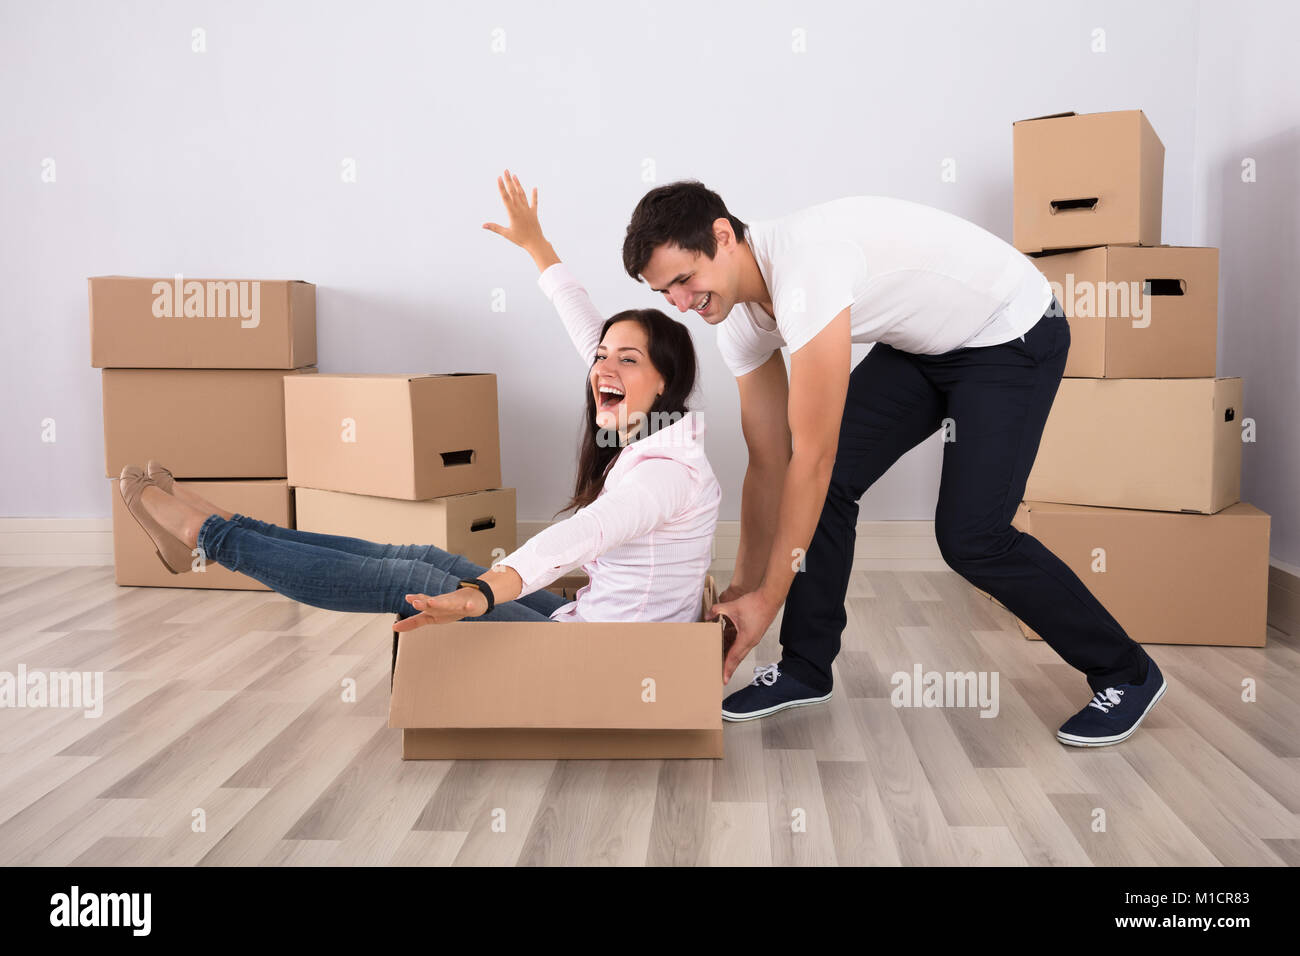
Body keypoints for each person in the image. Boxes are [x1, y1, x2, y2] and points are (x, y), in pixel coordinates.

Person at [622, 184, 1166, 747]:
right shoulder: (735, 315)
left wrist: (769, 600)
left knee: (971, 537)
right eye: (666, 293)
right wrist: (742, 588)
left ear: (722, 236)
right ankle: (805, 667)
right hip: (927, 347)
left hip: (1011, 329)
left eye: (685, 280)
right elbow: (769, 462)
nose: (682, 304)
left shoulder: (806, 270)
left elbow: (813, 455)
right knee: (825, 484)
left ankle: (1126, 672)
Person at [115, 171, 721, 634]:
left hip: (598, 654)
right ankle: (220, 526)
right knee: (425, 555)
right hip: (588, 623)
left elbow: (582, 535)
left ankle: (208, 537)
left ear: (663, 381)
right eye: (602, 357)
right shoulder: (658, 427)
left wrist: (482, 594)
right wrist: (537, 247)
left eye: (627, 360)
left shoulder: (663, 476)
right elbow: (592, 332)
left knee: (408, 581)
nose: (603, 368)